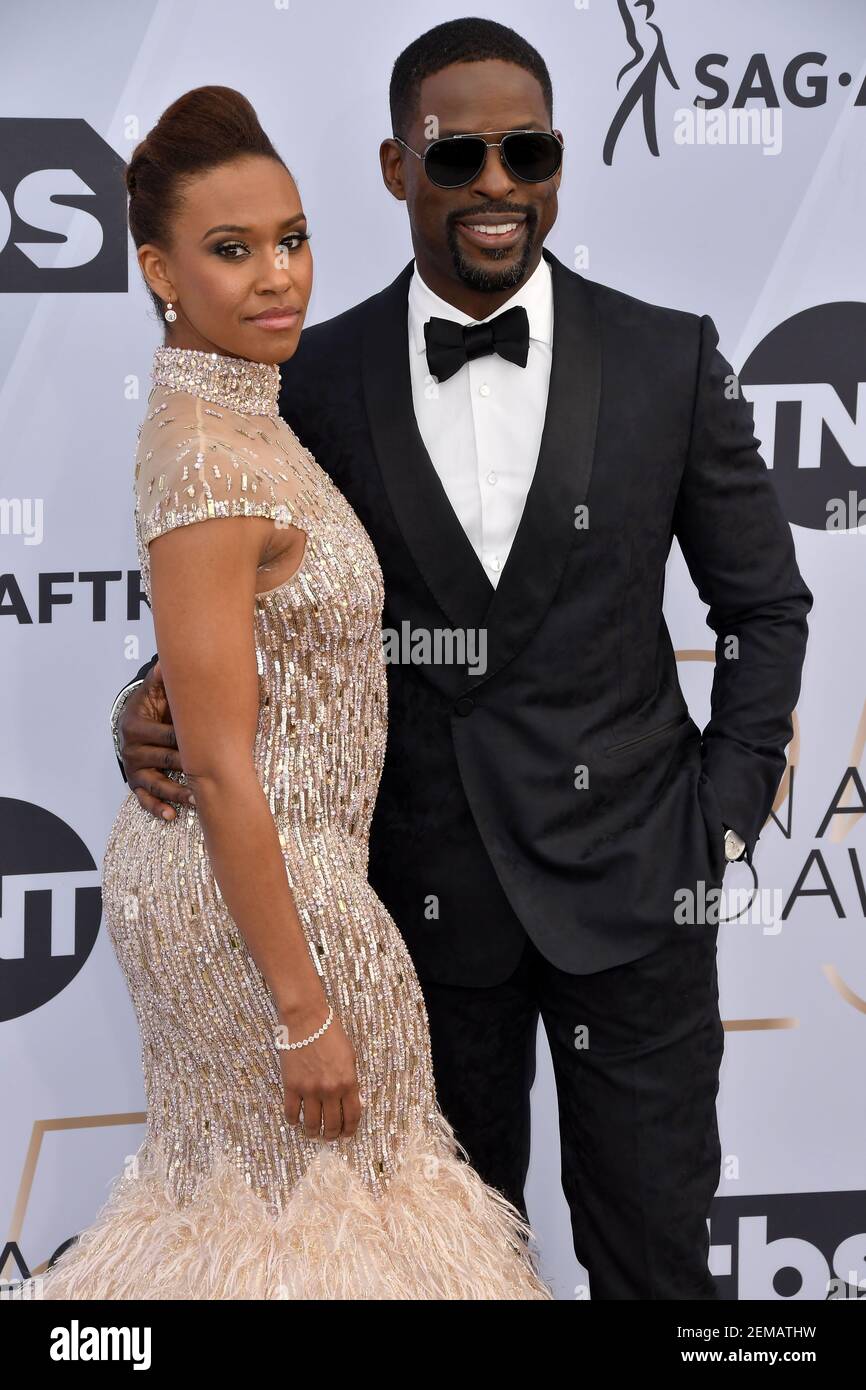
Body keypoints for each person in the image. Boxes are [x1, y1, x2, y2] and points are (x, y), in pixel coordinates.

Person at [115, 20, 813, 1299]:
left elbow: (765, 609)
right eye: (458, 156)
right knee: (448, 1277)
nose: (495, 183)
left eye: (526, 152)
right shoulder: (304, 374)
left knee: (658, 1264)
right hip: (418, 921)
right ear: (396, 168)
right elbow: (239, 588)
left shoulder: (665, 355)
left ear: (556, 168)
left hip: (636, 902)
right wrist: (140, 708)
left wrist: (712, 825)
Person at [43, 84, 552, 1301]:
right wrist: (299, 1008)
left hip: (271, 869)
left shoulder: (241, 415)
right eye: (232, 250)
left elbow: (236, 657)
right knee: (330, 1222)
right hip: (263, 891)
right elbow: (219, 761)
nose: (278, 277)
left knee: (283, 1231)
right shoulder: (212, 454)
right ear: (160, 271)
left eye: (292, 238)